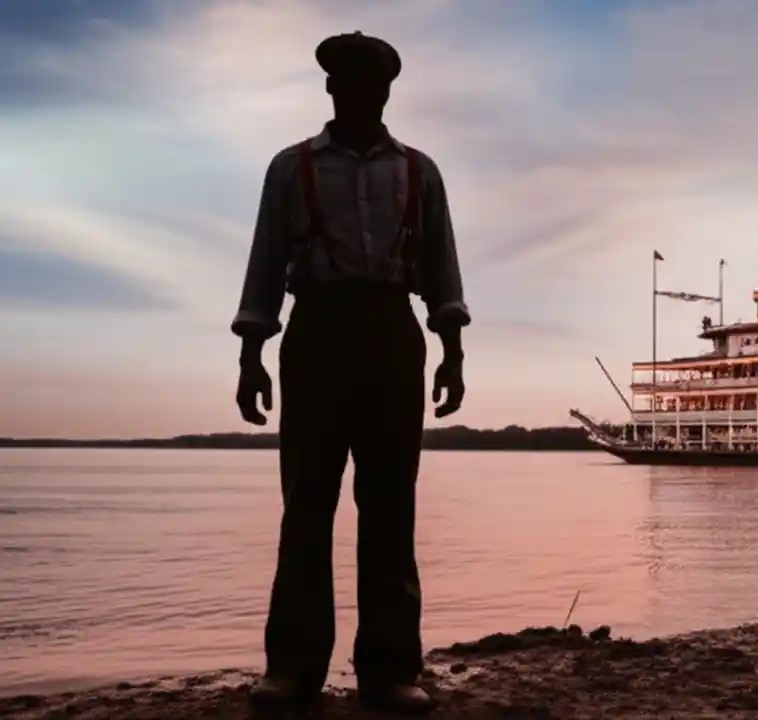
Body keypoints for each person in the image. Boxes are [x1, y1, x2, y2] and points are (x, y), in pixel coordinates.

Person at [230, 31, 469, 714]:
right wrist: (251, 353)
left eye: (369, 82)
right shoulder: (290, 168)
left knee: (391, 504)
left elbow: (442, 268)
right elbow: (264, 262)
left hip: (394, 331)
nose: (356, 92)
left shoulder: (420, 172)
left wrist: (451, 348)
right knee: (306, 501)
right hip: (315, 331)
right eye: (344, 81)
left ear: (386, 91)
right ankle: (293, 669)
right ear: (329, 88)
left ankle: (391, 671)